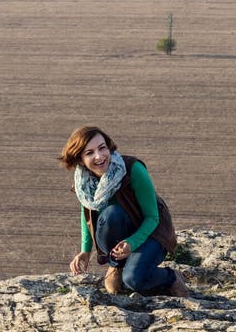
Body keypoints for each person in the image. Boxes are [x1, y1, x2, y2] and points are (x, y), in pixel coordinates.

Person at [60, 125, 189, 296]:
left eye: (102, 148)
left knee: (134, 280)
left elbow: (152, 217)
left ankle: (171, 277)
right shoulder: (83, 181)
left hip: (153, 233)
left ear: (109, 147)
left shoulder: (132, 169)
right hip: (123, 227)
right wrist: (85, 250)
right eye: (89, 153)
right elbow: (88, 213)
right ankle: (117, 266)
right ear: (79, 159)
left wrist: (132, 243)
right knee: (111, 215)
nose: (99, 156)